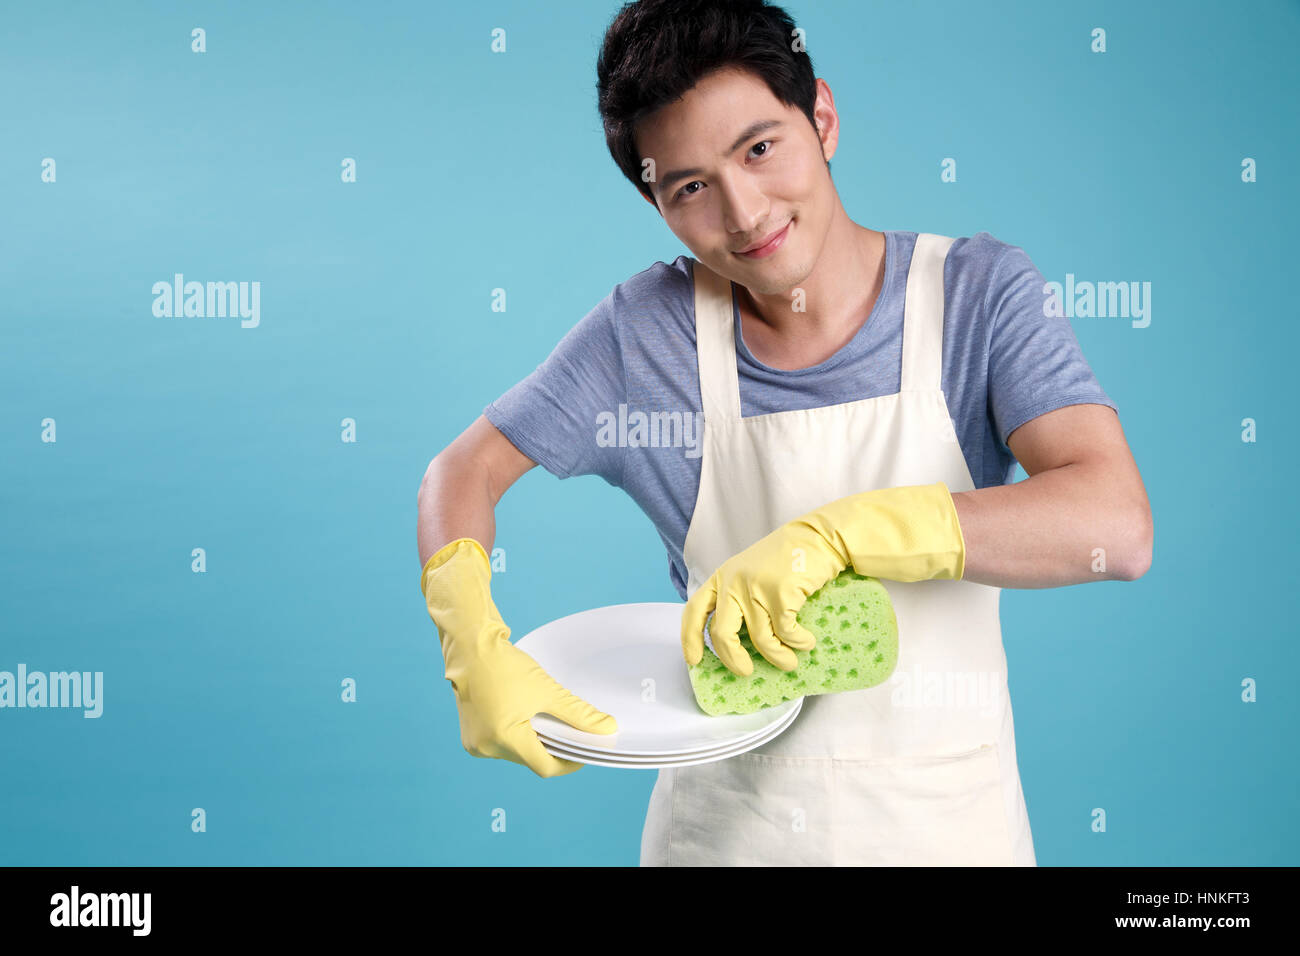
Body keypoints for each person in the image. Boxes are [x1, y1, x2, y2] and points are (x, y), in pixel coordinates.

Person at [417, 0, 1152, 866]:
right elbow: (461, 471)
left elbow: (1116, 526)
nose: (745, 212)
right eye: (690, 187)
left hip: (948, 832)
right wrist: (470, 638)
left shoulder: (976, 296)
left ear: (823, 118)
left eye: (759, 149)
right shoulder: (649, 339)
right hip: (725, 842)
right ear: (657, 204)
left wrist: (846, 533)